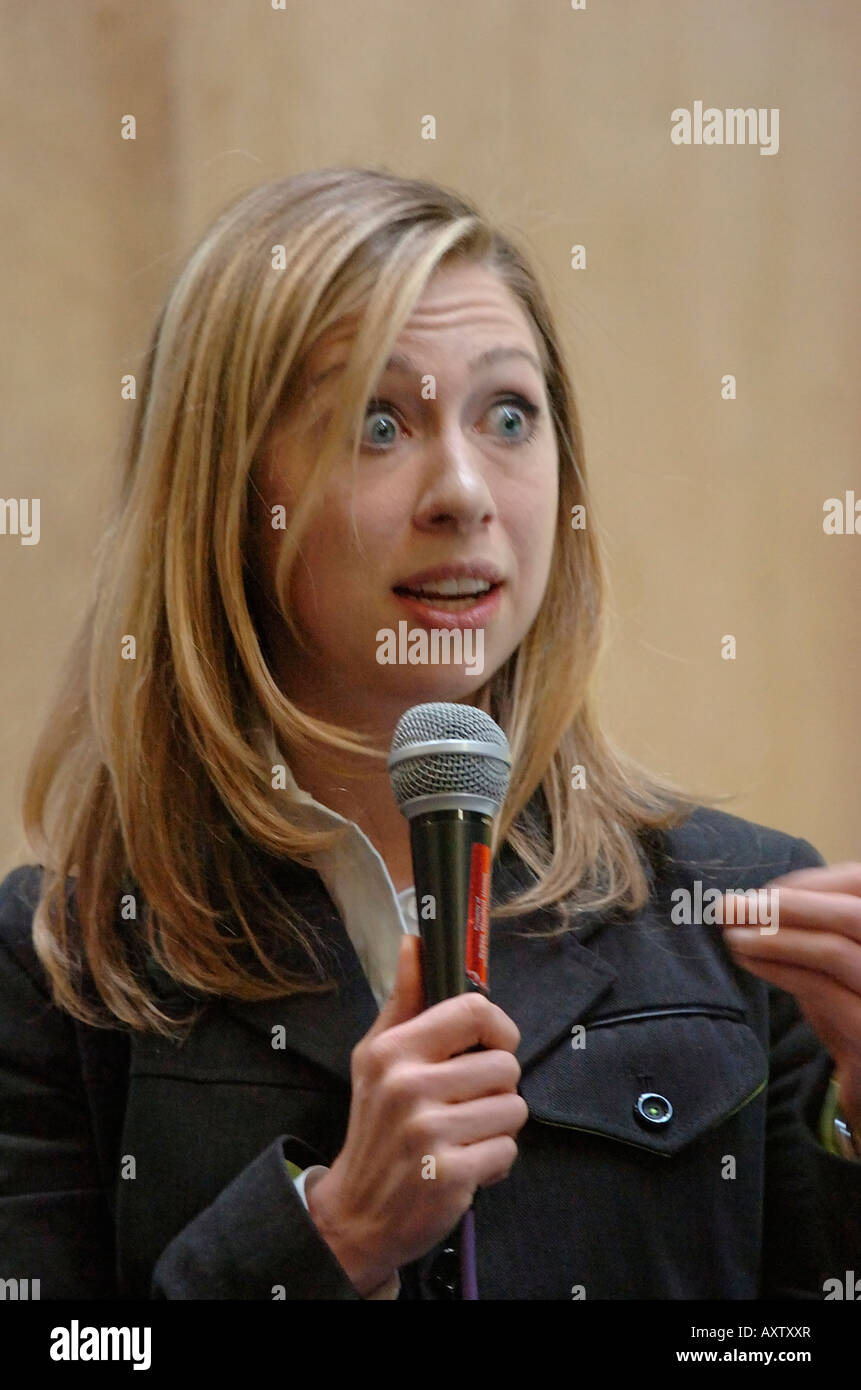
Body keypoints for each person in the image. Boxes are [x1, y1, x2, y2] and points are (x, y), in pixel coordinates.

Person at [0, 167, 858, 1302]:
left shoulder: (739, 917)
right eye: (377, 422)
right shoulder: (66, 966)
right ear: (225, 496)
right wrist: (329, 1234)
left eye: (509, 414)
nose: (463, 488)